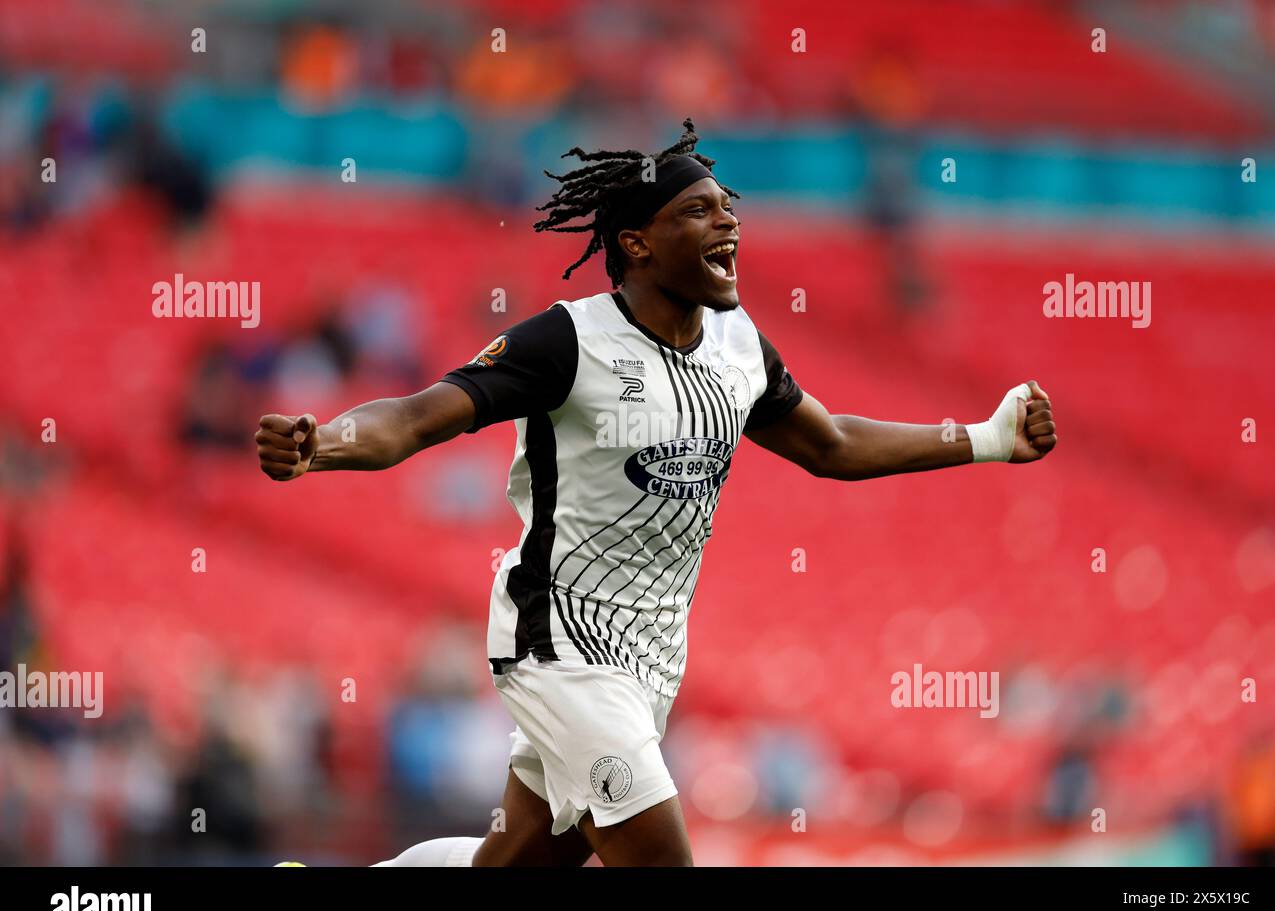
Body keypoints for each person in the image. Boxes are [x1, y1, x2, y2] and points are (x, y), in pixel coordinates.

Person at [255, 119, 1058, 867]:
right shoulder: (568, 341)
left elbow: (833, 445)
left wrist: (986, 439)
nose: (727, 223)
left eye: (728, 208)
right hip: (559, 639)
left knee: (516, 866)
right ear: (637, 244)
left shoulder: (739, 347)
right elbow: (417, 416)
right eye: (699, 211)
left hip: (650, 663)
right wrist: (324, 443)